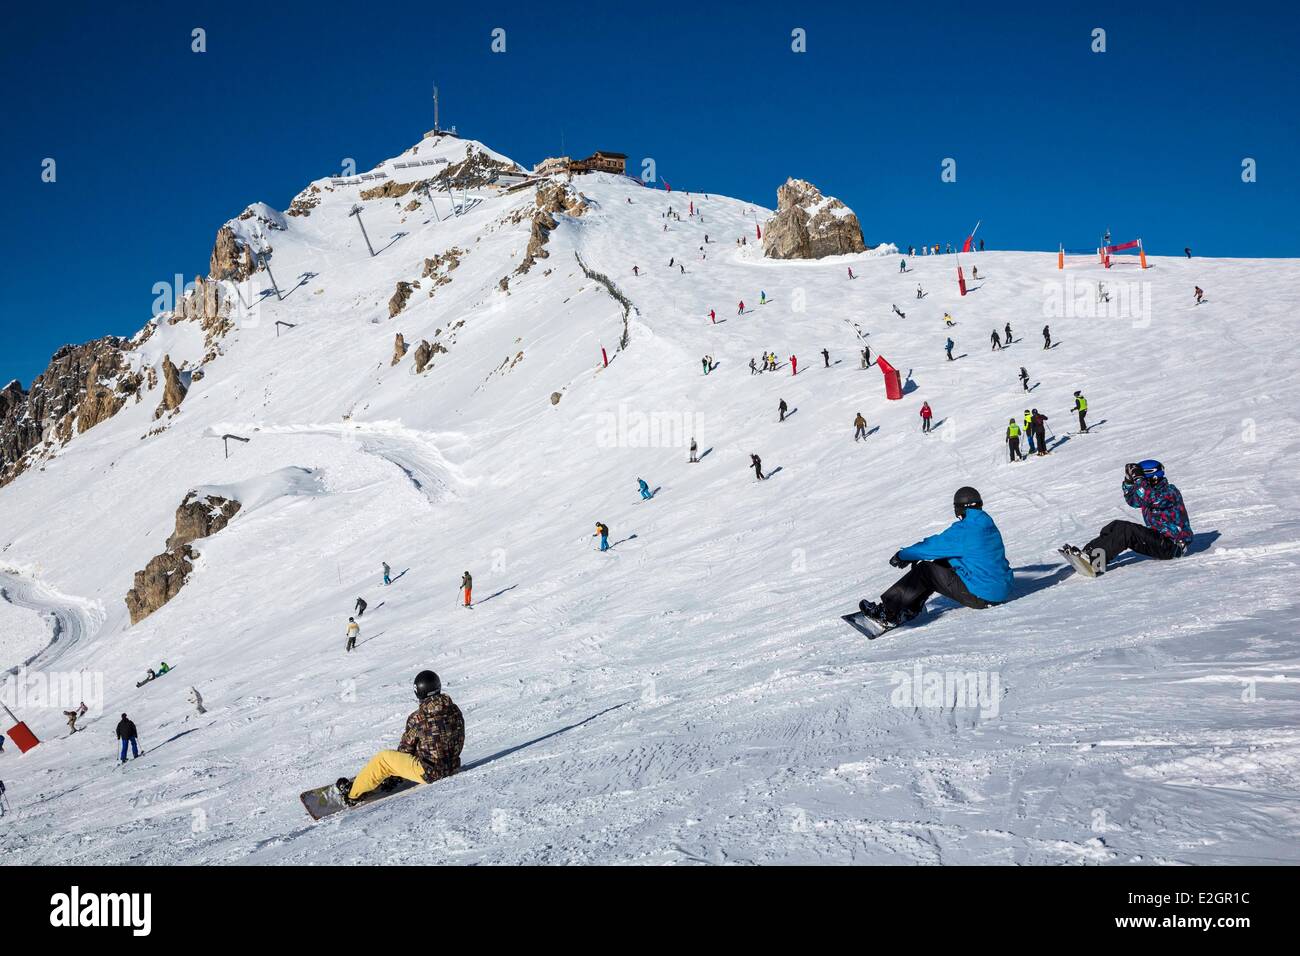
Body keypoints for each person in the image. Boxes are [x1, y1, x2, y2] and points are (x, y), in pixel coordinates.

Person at [858, 487, 1013, 630]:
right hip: (999, 589)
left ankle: (887, 613)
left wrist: (903, 555)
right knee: (942, 562)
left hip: (983, 595)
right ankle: (910, 607)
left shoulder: (965, 530)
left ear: (959, 508)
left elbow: (932, 546)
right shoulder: (986, 525)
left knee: (926, 571)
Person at [337, 671, 464, 806]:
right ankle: (395, 777)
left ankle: (352, 794)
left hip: (430, 773)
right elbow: (458, 739)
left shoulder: (419, 717)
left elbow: (405, 750)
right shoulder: (454, 709)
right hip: (453, 766)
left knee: (384, 759)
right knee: (426, 744)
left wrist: (395, 772)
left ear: (417, 691)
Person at [1062, 461, 1193, 575]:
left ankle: (1095, 562)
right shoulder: (1150, 491)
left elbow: (1148, 497)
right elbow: (1133, 500)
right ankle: (1088, 553)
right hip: (1159, 539)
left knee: (1127, 531)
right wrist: (1128, 481)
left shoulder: (1170, 492)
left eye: (1143, 479)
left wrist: (1138, 478)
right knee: (1116, 525)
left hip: (1172, 546)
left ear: (1152, 478)